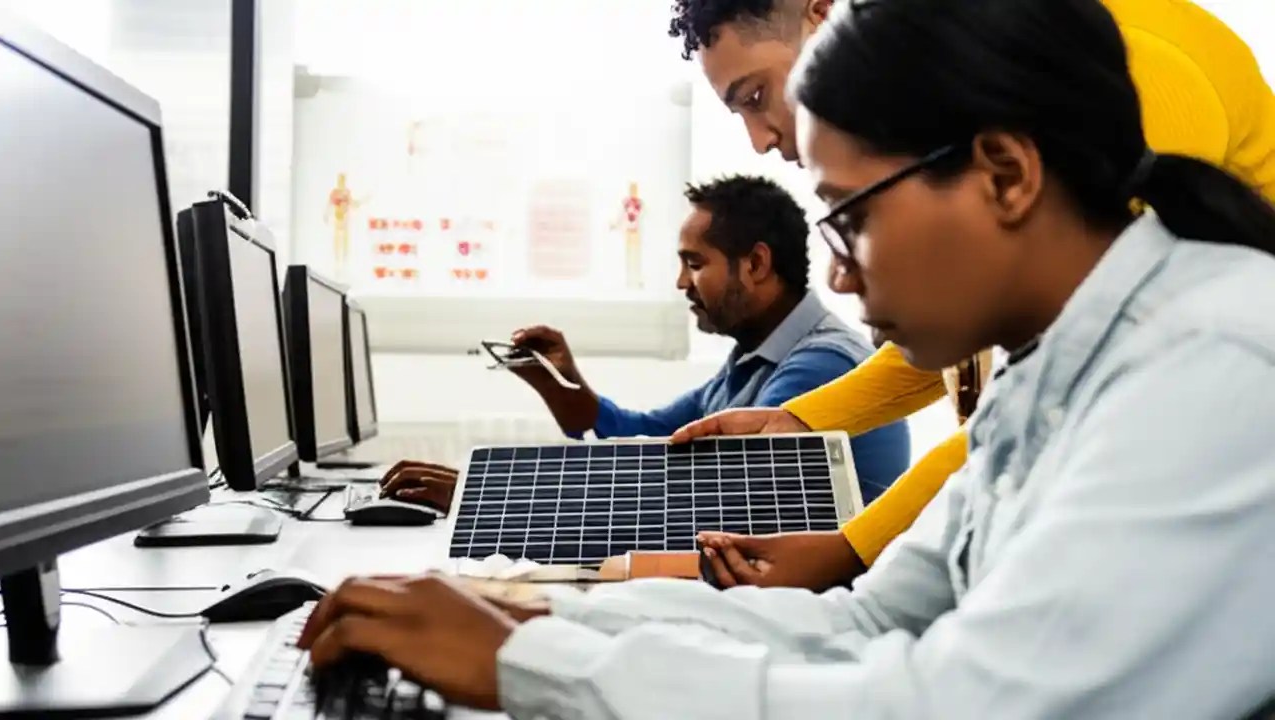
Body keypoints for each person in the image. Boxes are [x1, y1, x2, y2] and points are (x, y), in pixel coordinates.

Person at [298, 0, 1275, 715]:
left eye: (847, 219)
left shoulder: (1208, 369)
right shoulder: (1043, 380)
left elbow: (953, 706)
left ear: (1005, 173)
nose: (841, 282)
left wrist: (534, 668)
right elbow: (861, 625)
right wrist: (532, 617)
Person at [668, 0, 1275, 590]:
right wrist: (803, 419)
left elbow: (1033, 408)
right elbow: (954, 326)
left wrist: (851, 547)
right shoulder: (964, 94)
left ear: (823, 16)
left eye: (755, 97)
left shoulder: (1092, 73)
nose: (757, 140)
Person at [384, 174, 911, 505]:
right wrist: (558, 383)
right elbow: (641, 438)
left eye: (695, 264)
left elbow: (697, 498)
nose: (682, 283)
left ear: (754, 264)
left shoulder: (821, 366)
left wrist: (482, 495)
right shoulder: (751, 360)